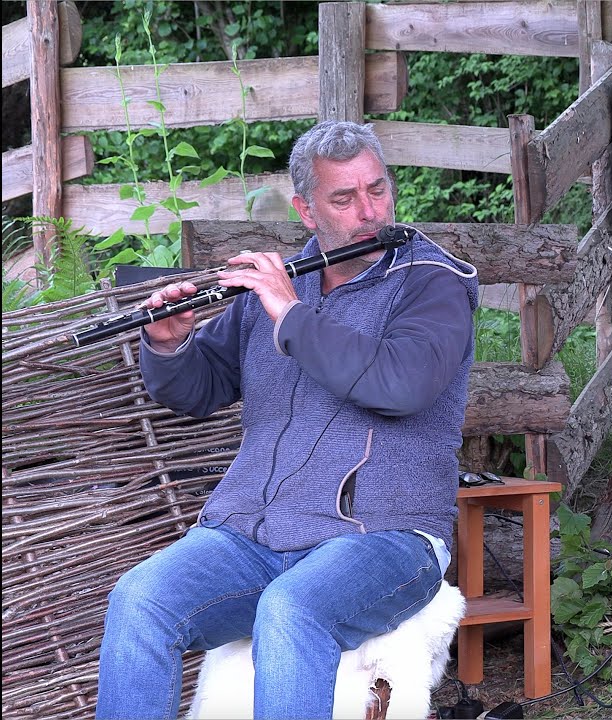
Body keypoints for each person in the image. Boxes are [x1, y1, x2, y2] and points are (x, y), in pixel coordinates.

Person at [95, 120, 480, 719]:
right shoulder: (278, 286)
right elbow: (199, 389)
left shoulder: (433, 284)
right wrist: (169, 345)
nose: (369, 213)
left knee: (292, 609)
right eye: (344, 199)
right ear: (306, 210)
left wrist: (291, 315)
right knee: (140, 598)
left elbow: (403, 386)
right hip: (255, 531)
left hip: (383, 535)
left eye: (377, 190)